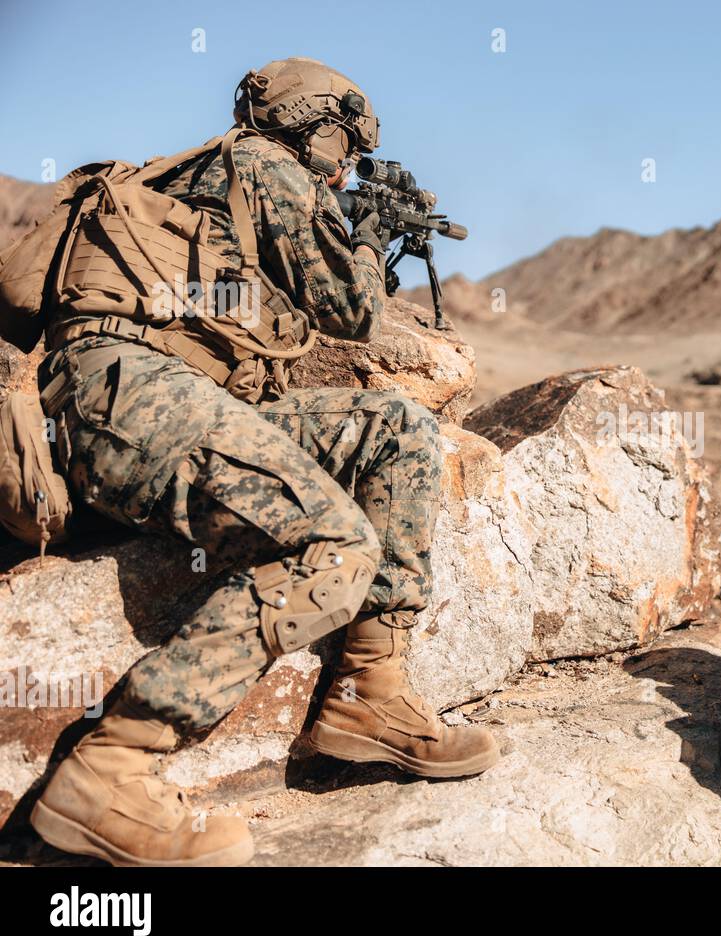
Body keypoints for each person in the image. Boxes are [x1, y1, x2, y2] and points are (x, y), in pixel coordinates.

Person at [29, 58, 497, 868]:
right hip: (130, 391)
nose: (346, 165)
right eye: (343, 144)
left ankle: (368, 699)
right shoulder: (264, 163)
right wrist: (370, 233)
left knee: (396, 430)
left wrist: (355, 231)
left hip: (164, 389)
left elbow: (291, 315)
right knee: (337, 545)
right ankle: (111, 768)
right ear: (313, 124)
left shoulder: (222, 182)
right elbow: (350, 310)